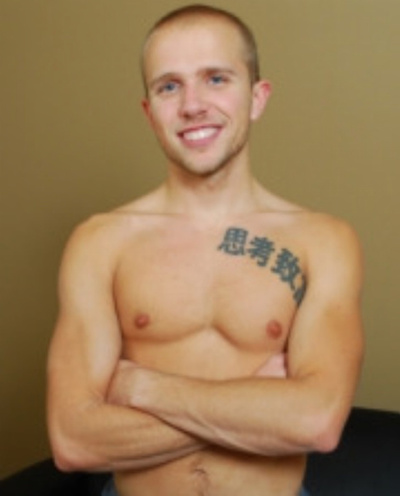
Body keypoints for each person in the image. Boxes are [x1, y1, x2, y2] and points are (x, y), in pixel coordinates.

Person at [46, 4, 364, 496]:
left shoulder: (322, 241)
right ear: (150, 113)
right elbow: (73, 440)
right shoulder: (99, 242)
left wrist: (143, 388)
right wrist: (258, 407)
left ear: (257, 97)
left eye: (216, 79)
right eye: (169, 86)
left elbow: (316, 422)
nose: (192, 105)